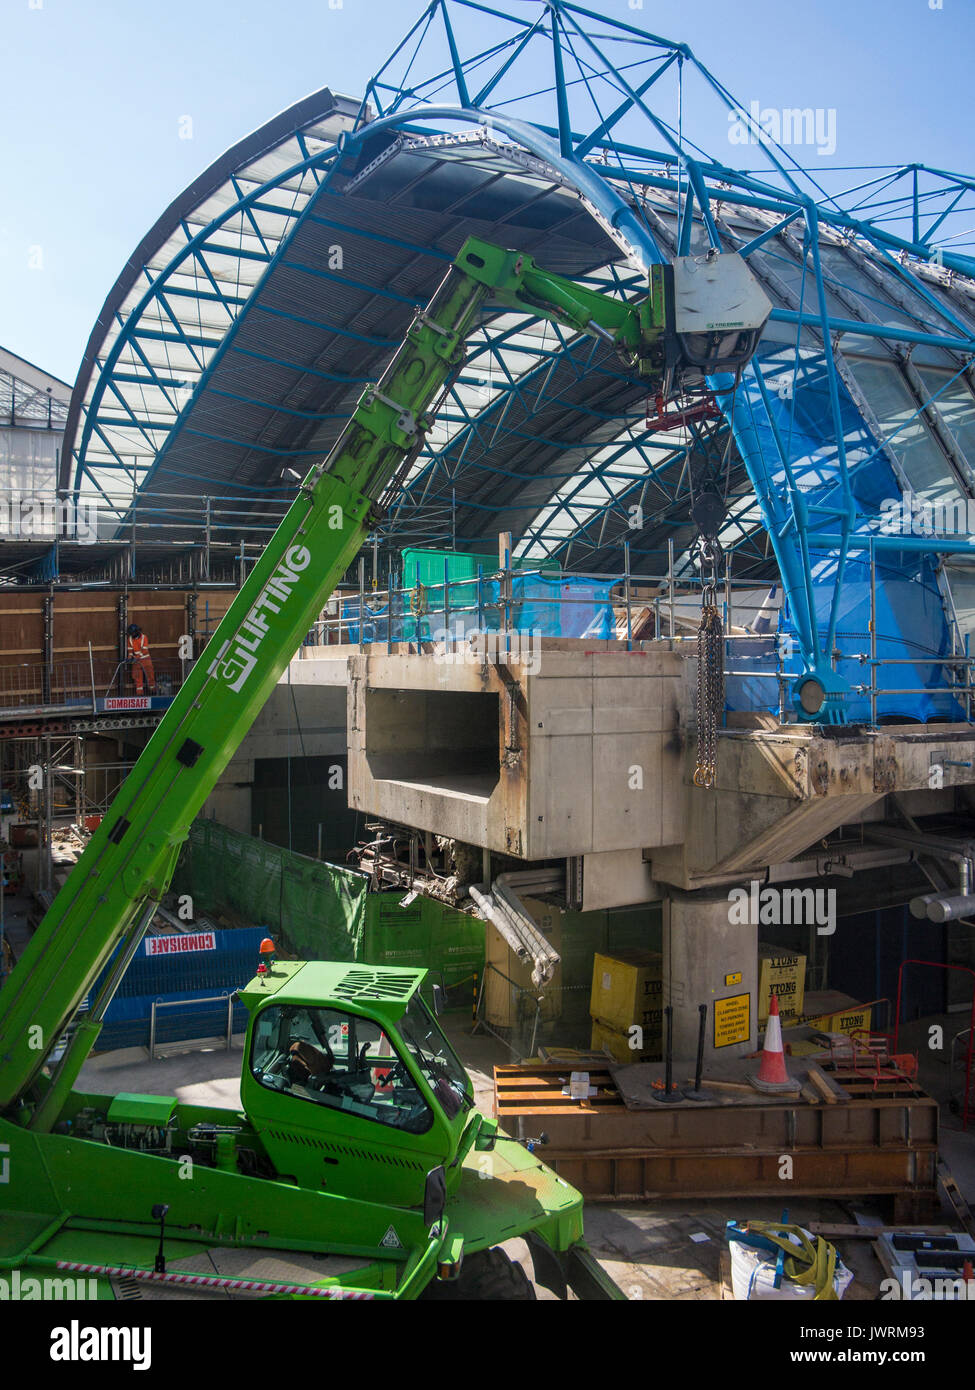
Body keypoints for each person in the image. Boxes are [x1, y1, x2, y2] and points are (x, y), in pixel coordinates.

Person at [126, 623, 156, 696]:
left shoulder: (144, 637)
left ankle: (153, 691)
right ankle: (139, 694)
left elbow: (144, 650)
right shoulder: (129, 639)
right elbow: (130, 651)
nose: (131, 635)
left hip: (146, 660)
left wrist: (137, 657)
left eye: (132, 634)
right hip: (136, 661)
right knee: (137, 678)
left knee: (150, 676)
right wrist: (129, 658)